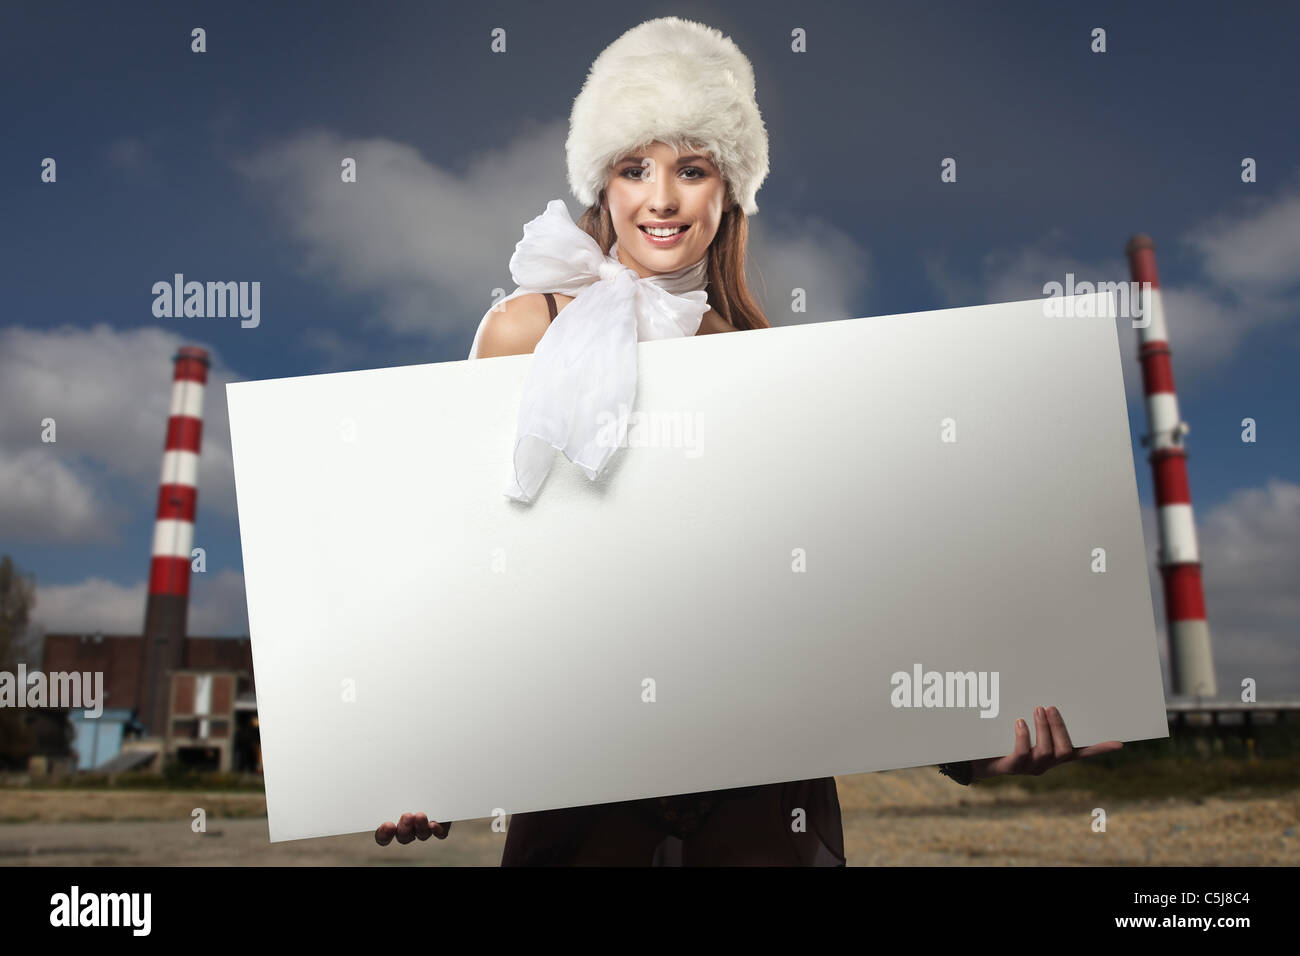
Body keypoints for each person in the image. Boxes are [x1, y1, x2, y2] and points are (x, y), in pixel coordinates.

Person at [376, 17, 1123, 865]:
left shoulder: (777, 368)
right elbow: (467, 561)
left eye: (690, 169)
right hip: (588, 803)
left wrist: (975, 741)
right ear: (604, 188)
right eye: (634, 168)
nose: (661, 198)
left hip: (766, 811)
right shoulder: (525, 329)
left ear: (728, 189)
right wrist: (419, 757)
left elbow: (856, 595)